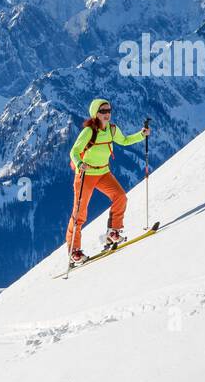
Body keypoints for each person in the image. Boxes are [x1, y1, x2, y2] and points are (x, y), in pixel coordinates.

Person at [65, 98, 151, 263]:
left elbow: (125, 141)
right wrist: (79, 163)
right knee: (79, 213)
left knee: (120, 197)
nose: (107, 113)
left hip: (103, 172)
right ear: (95, 114)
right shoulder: (89, 132)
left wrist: (141, 135)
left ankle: (113, 232)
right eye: (103, 111)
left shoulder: (112, 129)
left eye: (109, 110)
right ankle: (74, 251)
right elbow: (74, 151)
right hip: (85, 175)